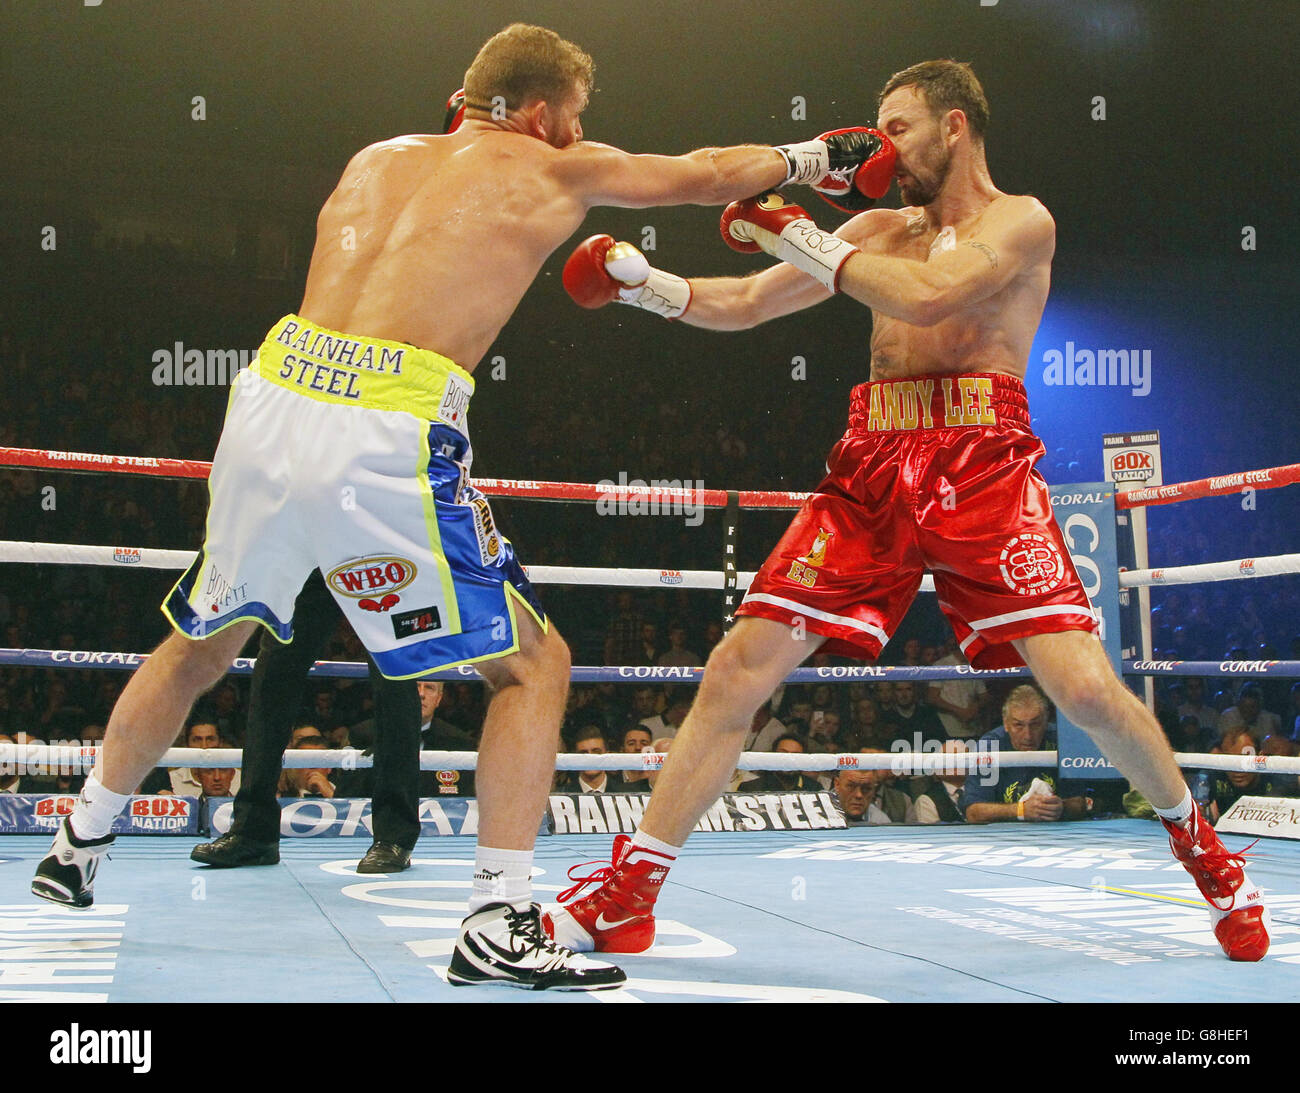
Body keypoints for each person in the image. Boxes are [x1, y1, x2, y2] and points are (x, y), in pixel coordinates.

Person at [32, 23, 890, 990]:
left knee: (204, 644)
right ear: (536, 112)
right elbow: (700, 175)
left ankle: (78, 841)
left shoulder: (373, 158)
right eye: (573, 119)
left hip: (270, 397)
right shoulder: (549, 167)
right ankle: (497, 917)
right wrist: (820, 155)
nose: (577, 137)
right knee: (533, 667)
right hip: (384, 423)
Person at [546, 59, 1268, 962]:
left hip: (984, 463)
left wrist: (802, 235)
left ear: (955, 125)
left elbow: (933, 295)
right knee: (738, 666)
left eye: (898, 128)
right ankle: (629, 892)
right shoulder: (879, 227)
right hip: (873, 465)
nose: (881, 147)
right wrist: (641, 282)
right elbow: (744, 304)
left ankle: (1209, 859)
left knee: (1084, 688)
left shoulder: (1022, 219)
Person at [189, 570, 425, 874]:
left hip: (376, 543)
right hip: (312, 549)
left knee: (395, 676)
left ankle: (395, 836)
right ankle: (252, 831)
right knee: (273, 670)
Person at [961, 686, 1088, 823]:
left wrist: (1061, 807)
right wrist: (1020, 810)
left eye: (1035, 725)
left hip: (1058, 833)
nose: (1028, 735)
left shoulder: (1061, 741)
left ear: (1046, 722)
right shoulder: (990, 746)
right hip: (1004, 836)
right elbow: (974, 812)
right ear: (1006, 724)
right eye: (1018, 725)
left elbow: (1081, 803)